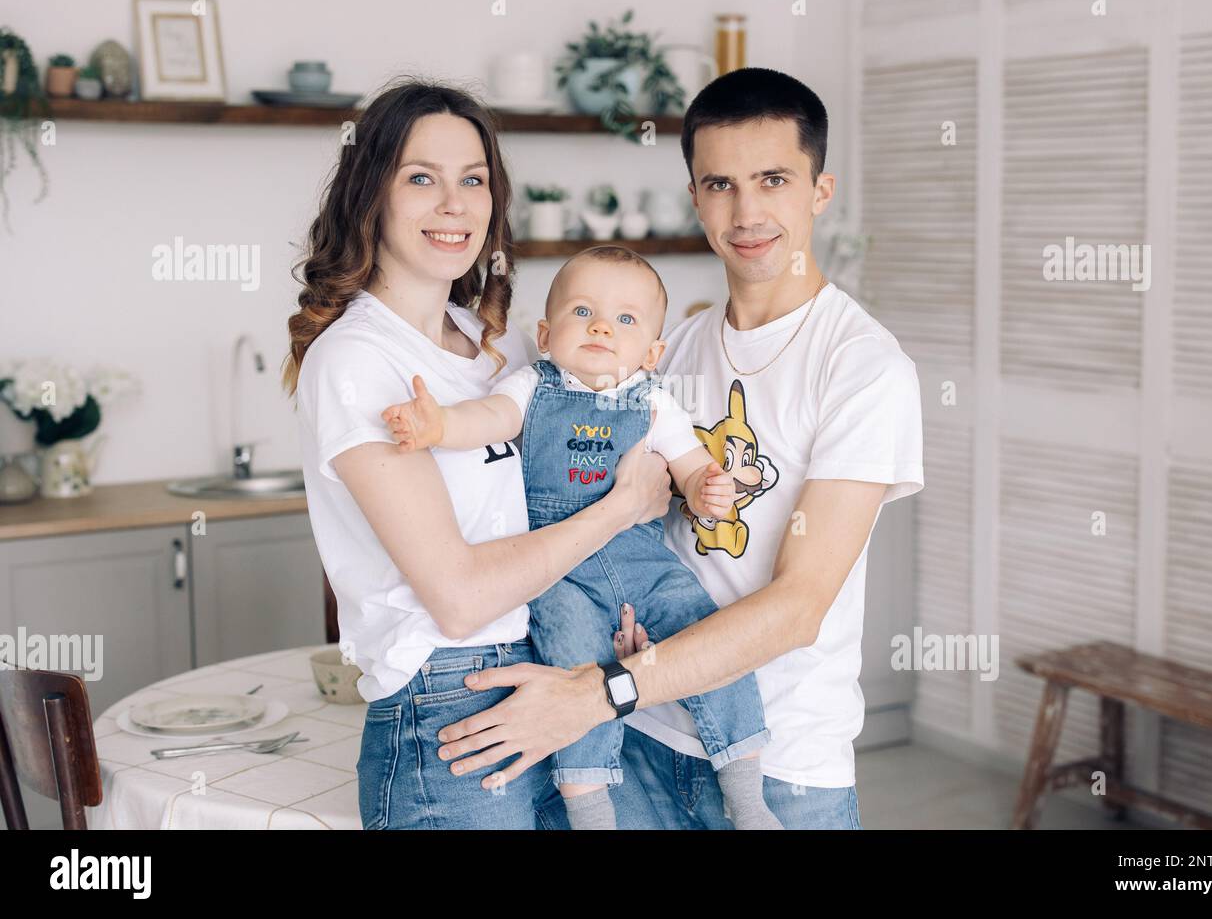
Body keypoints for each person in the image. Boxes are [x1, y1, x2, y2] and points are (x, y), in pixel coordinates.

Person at [433, 67, 925, 829]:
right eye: (721, 184)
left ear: (819, 191)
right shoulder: (665, 348)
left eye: (773, 179)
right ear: (695, 198)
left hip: (780, 768)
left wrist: (602, 691)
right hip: (640, 746)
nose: (748, 210)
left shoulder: (862, 365)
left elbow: (798, 608)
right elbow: (637, 524)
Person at [283, 79, 669, 829]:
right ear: (372, 194)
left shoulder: (501, 346)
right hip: (447, 714)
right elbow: (457, 596)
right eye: (421, 178)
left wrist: (616, 609)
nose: (454, 204)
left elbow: (561, 498)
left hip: (552, 676)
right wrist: (625, 508)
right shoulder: (356, 361)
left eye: (474, 179)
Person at [381, 244, 782, 829]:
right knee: (573, 674)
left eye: (625, 319)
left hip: (644, 562)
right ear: (545, 334)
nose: (600, 326)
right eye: (582, 311)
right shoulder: (530, 386)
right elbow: (488, 418)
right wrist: (439, 424)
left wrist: (705, 491)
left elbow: (693, 466)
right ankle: (591, 810)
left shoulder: (655, 402)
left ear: (652, 352)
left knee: (705, 633)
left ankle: (746, 795)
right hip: (557, 570)